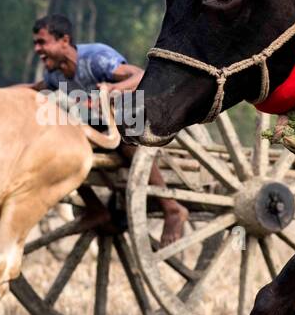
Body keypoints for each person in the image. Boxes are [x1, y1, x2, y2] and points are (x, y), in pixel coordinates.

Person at [22, 14, 187, 245]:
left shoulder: (96, 58)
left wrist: (112, 88)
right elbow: (31, 88)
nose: (38, 49)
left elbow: (139, 75)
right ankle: (95, 208)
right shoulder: (54, 74)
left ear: (64, 41)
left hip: (131, 118)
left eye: (42, 43)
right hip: (99, 129)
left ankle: (171, 207)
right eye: (35, 44)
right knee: (63, 152)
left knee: (128, 133)